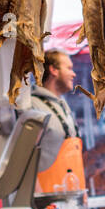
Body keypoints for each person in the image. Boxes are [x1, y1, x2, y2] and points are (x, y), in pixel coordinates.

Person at [27, 50, 84, 193]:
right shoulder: (33, 106)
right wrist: (41, 201)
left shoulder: (62, 105)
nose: (74, 74)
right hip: (51, 201)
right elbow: (26, 157)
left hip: (72, 197)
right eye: (69, 68)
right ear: (53, 70)